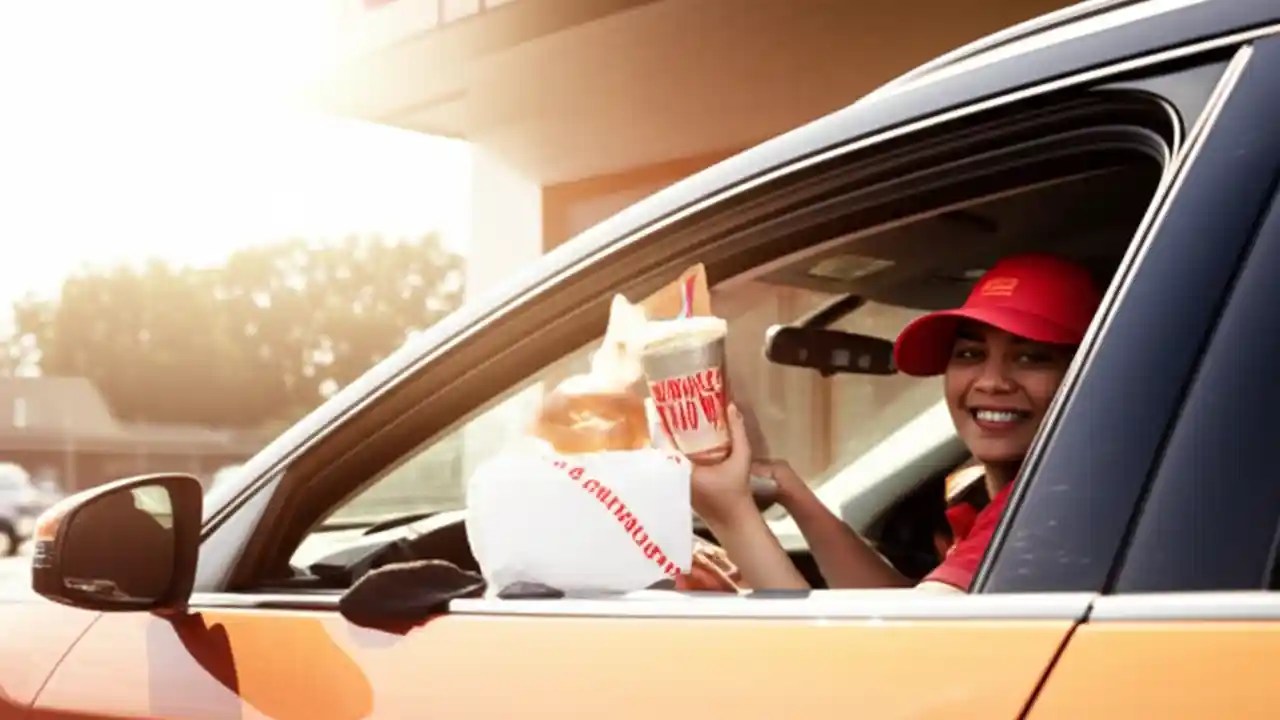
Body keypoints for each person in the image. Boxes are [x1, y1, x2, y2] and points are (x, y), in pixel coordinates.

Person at [690, 253, 1102, 592]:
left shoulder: (1047, 507)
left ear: (1089, 373)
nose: (991, 382)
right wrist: (789, 490)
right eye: (970, 354)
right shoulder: (1011, 497)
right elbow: (898, 609)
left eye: (1031, 357)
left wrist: (731, 517)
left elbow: (883, 654)